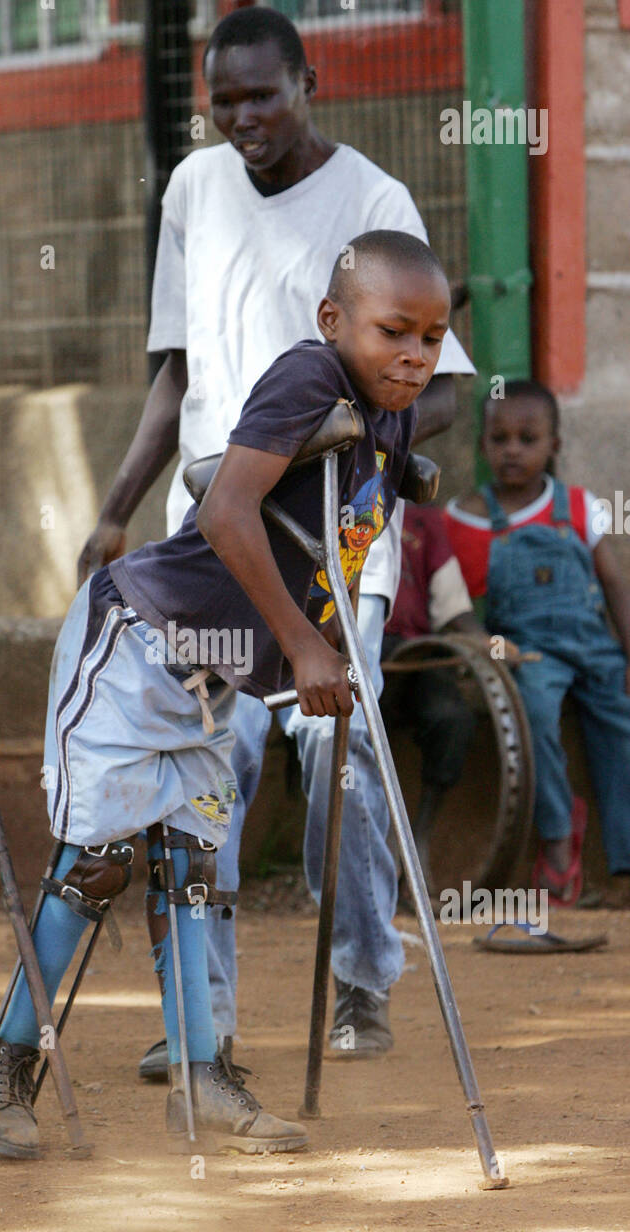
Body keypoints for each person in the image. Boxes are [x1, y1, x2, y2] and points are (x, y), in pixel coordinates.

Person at [0, 228, 452, 1160]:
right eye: (395, 331)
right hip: (136, 643)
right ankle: (7, 1072)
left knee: (195, 872)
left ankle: (202, 1083)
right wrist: (301, 649)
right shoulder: (307, 377)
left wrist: (336, 646)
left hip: (210, 676)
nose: (415, 356)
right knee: (96, 864)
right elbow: (225, 510)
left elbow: (338, 543)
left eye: (431, 340)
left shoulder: (390, 414)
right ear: (332, 320)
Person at [77, 6, 474, 1075]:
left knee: (334, 755)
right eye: (225, 98)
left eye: (263, 94)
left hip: (332, 544)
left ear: (310, 84)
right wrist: (117, 506)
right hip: (213, 537)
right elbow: (179, 372)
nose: (243, 116)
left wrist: (339, 441)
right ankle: (200, 1019)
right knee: (203, 770)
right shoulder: (191, 190)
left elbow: (428, 385)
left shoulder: (372, 201)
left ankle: (357, 974)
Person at [444, 380, 630, 908]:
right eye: (499, 438)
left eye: (529, 438)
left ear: (556, 444)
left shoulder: (578, 505)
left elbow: (615, 585)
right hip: (528, 652)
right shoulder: (466, 519)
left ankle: (624, 854)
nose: (512, 450)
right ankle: (556, 838)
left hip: (595, 646)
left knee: (621, 718)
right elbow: (455, 602)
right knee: (534, 713)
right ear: (481, 445)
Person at [380, 501, 521, 894]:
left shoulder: (423, 520)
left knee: (451, 718)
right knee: (360, 731)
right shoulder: (333, 500)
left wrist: (493, 648)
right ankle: (382, 842)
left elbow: (456, 613)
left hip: (419, 653)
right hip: (360, 656)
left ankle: (418, 837)